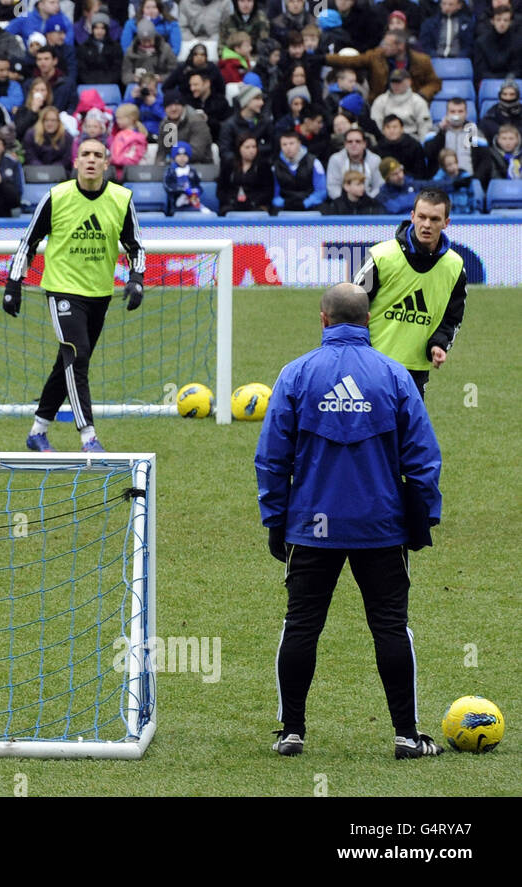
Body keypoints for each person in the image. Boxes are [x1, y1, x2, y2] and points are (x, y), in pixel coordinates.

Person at [255, 282, 443, 760]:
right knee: (391, 627)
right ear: (368, 321)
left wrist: (277, 521)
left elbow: (271, 459)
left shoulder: (296, 375)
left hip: (310, 526)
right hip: (380, 526)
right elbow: (423, 461)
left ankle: (291, 731)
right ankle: (406, 736)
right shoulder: (395, 376)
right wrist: (423, 520)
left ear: (322, 319)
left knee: (300, 625)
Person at [3, 138, 145, 452]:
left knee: (67, 363)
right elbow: (29, 242)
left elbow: (136, 246)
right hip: (62, 290)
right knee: (77, 357)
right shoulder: (57, 197)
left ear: (107, 163)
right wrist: (14, 285)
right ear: (76, 161)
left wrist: (137, 279)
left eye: (98, 155)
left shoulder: (121, 199)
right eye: (85, 154)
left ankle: (37, 432)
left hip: (100, 293)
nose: (91, 160)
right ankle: (88, 437)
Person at [353, 189, 467, 399]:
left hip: (415, 372)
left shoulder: (455, 267)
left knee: (410, 432)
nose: (426, 225)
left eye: (434, 219)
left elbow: (452, 318)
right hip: (370, 366)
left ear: (446, 223)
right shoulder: (381, 256)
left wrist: (439, 344)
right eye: (422, 217)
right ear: (412, 216)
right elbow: (351, 307)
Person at [326, 127, 383, 199]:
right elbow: (333, 186)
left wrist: (368, 201)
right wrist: (346, 202)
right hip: (343, 203)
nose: (354, 144)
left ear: (364, 144)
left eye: (358, 141)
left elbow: (379, 187)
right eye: (350, 142)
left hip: (370, 202)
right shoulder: (335, 159)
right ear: (345, 144)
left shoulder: (375, 160)